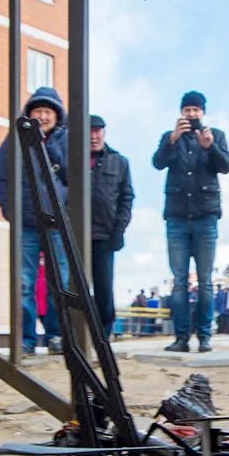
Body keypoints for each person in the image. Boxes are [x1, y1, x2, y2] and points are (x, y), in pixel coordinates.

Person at [0, 86, 71, 357]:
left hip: (56, 223)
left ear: (57, 116)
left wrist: (67, 210)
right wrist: (9, 210)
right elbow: (2, 176)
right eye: (38, 110)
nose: (43, 116)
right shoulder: (15, 139)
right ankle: (25, 338)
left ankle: (57, 335)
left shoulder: (66, 140)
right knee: (24, 282)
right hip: (25, 221)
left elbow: (78, 180)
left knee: (59, 280)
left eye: (48, 111)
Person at [154, 90, 229, 353]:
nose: (191, 114)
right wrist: (173, 140)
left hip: (206, 217)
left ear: (203, 112)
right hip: (176, 218)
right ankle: (181, 338)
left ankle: (205, 337)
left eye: (196, 110)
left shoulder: (215, 135)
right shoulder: (170, 137)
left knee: (206, 281)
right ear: (180, 113)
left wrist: (210, 147)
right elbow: (157, 162)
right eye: (187, 110)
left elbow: (225, 166)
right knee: (178, 281)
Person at [87, 114, 134, 335]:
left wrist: (119, 230)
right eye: (89, 131)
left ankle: (103, 334)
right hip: (75, 236)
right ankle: (77, 333)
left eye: (98, 131)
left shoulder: (119, 161)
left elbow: (126, 198)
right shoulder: (72, 158)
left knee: (104, 288)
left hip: (105, 236)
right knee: (73, 287)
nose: (94, 136)